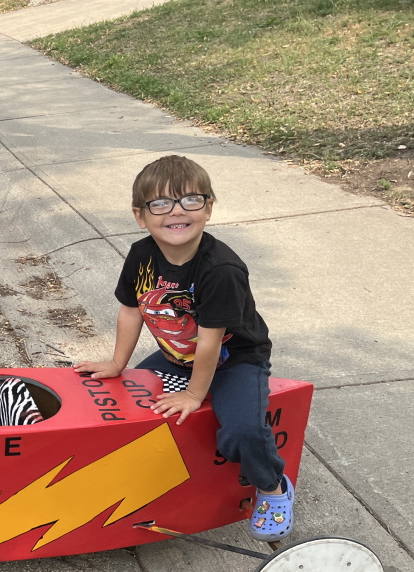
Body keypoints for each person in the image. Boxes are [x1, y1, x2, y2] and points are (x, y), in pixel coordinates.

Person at [74, 155, 294, 542]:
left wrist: (195, 393)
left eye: (190, 200)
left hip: (234, 361)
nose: (176, 212)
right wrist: (116, 363)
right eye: (160, 204)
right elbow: (131, 310)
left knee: (241, 429)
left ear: (208, 208)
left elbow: (210, 342)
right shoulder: (142, 255)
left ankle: (274, 487)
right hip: (177, 356)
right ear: (141, 216)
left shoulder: (220, 269)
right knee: (129, 412)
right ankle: (147, 483)